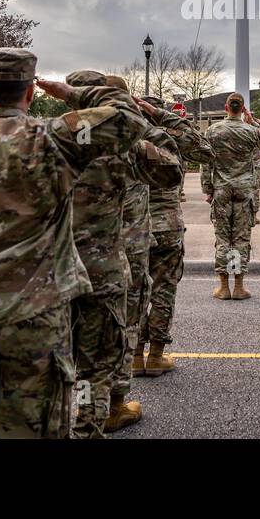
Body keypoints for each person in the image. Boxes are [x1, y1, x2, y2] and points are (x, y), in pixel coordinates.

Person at [0, 48, 152, 438]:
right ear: (31, 93)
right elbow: (127, 119)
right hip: (36, 320)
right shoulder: (53, 141)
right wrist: (73, 94)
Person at [64, 70, 181, 439]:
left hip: (59, 259)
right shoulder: (123, 144)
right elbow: (172, 165)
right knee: (111, 336)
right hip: (114, 253)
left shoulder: (47, 137)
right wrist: (143, 118)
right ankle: (108, 408)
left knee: (66, 338)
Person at [137, 96, 212, 377]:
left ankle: (133, 354)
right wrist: (162, 116)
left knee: (134, 291)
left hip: (133, 224)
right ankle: (156, 355)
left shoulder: (123, 134)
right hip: (166, 224)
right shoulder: (170, 136)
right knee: (163, 289)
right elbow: (204, 148)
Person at [202, 93, 260, 300]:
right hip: (244, 190)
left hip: (222, 189)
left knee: (223, 238)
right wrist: (254, 122)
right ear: (242, 109)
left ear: (226, 107)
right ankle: (239, 286)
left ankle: (223, 287)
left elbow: (206, 163)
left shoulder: (213, 131)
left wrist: (208, 189)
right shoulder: (251, 131)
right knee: (240, 238)